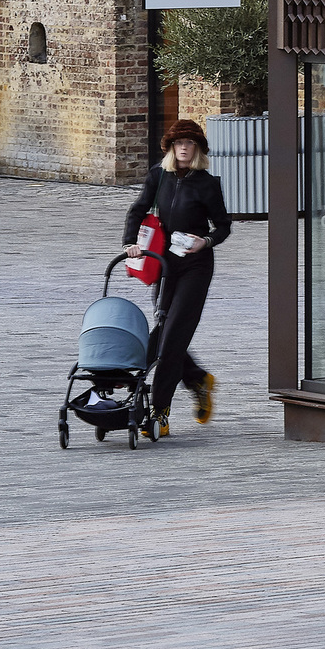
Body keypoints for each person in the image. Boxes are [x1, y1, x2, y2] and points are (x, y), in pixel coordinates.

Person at [122, 117, 232, 435]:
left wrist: (206, 240)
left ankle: (159, 413)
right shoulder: (159, 176)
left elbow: (223, 225)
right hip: (165, 263)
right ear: (171, 147)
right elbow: (138, 210)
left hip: (196, 266)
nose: (184, 148)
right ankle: (198, 379)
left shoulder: (207, 183)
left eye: (190, 143)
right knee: (165, 330)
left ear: (197, 149)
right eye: (178, 143)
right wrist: (131, 243)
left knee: (172, 336)